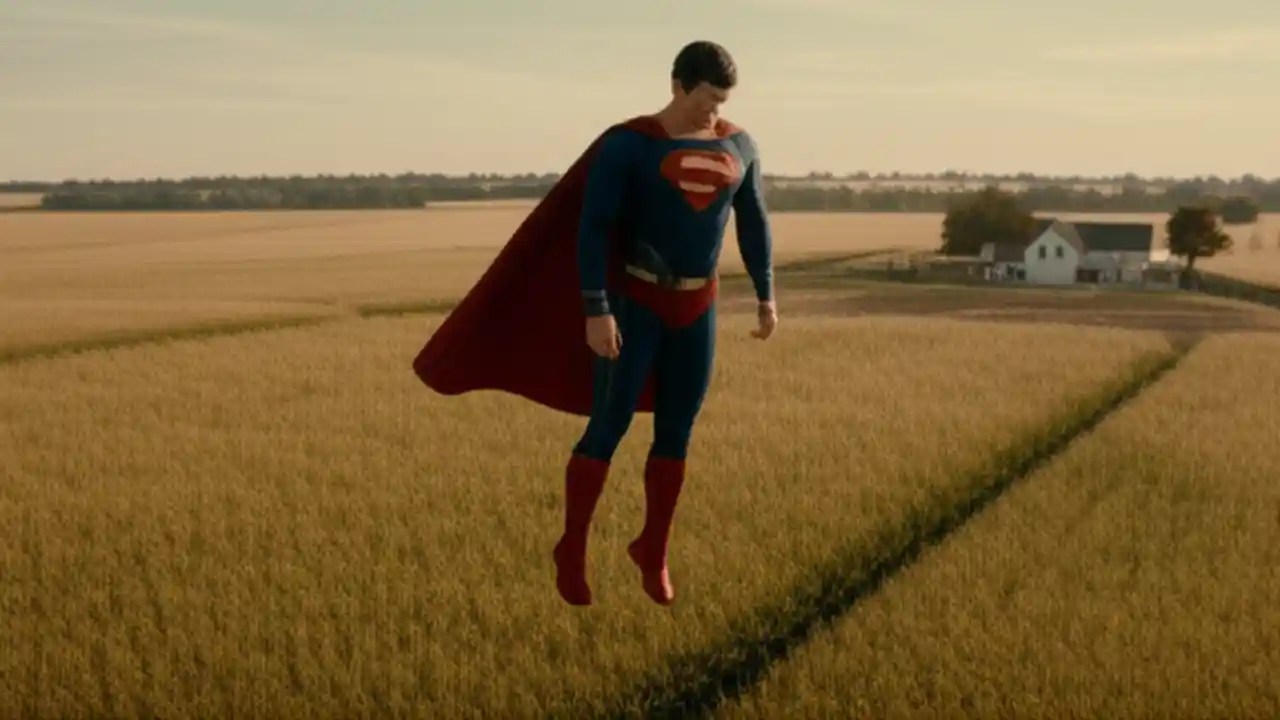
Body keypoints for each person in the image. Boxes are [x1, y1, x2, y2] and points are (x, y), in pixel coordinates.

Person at [411, 40, 776, 607]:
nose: (715, 110)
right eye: (708, 98)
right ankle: (572, 548)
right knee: (608, 426)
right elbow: (594, 228)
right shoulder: (629, 145)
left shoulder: (740, 144)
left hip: (696, 308)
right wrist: (596, 309)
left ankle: (652, 550)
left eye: (723, 100)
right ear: (679, 85)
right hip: (635, 305)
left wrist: (765, 295)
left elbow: (753, 221)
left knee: (677, 431)